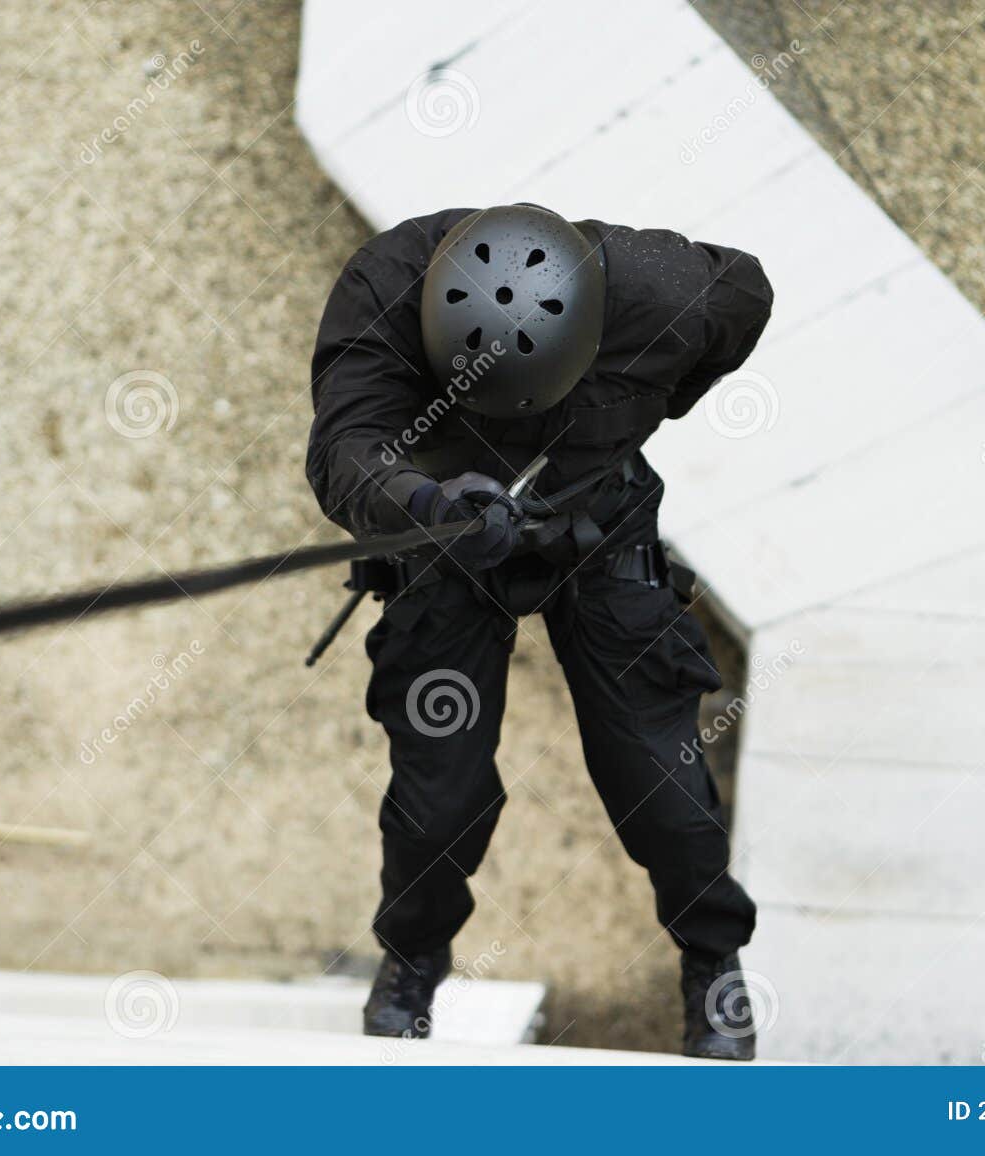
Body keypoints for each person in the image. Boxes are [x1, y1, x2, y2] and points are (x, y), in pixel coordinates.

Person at [306, 204, 773, 1060]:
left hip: (600, 529)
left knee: (656, 776)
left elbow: (749, 295)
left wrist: (651, 407)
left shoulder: (667, 289)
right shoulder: (384, 288)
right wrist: (429, 505)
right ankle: (412, 963)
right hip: (449, 534)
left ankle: (713, 960)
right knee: (439, 795)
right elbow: (344, 451)